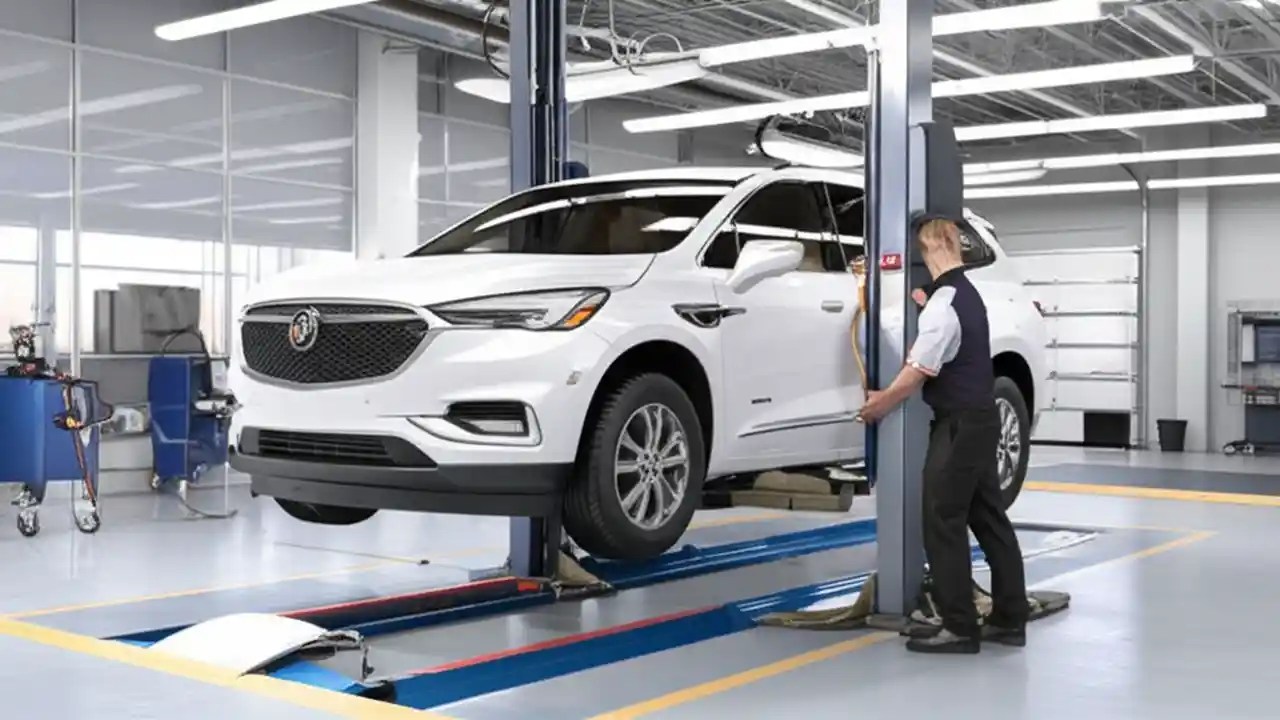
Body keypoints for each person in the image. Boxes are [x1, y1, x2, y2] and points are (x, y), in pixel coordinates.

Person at [857, 217, 1028, 654]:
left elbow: (918, 371)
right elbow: (950, 337)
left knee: (941, 519)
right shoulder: (964, 296)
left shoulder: (942, 304)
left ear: (929, 250)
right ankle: (1010, 619)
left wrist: (881, 403)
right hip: (981, 419)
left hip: (957, 426)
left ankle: (959, 626)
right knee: (988, 518)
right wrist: (922, 303)